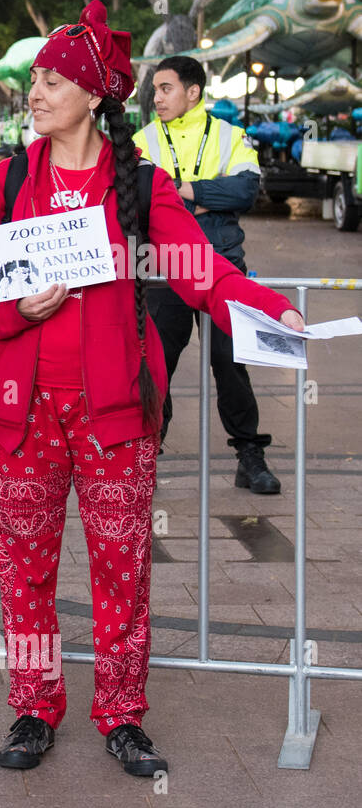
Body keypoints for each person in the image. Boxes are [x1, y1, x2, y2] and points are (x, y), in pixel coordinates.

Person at [0, 2, 303, 777]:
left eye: (51, 82)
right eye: (34, 82)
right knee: (25, 569)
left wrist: (275, 312)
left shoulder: (140, 186)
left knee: (122, 571)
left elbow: (205, 273)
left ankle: (121, 714)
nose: (34, 94)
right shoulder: (8, 181)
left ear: (92, 95)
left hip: (114, 412)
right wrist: (15, 309)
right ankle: (34, 707)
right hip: (22, 414)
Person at [134, 55, 281, 494]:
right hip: (165, 267)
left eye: (165, 89)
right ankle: (146, 453)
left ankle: (249, 456)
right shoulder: (141, 140)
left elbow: (246, 190)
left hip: (222, 265)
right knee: (156, 363)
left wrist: (185, 190)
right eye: (155, 90)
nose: (156, 98)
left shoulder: (230, 135)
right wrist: (206, 200)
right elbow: (138, 200)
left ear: (193, 91)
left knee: (231, 362)